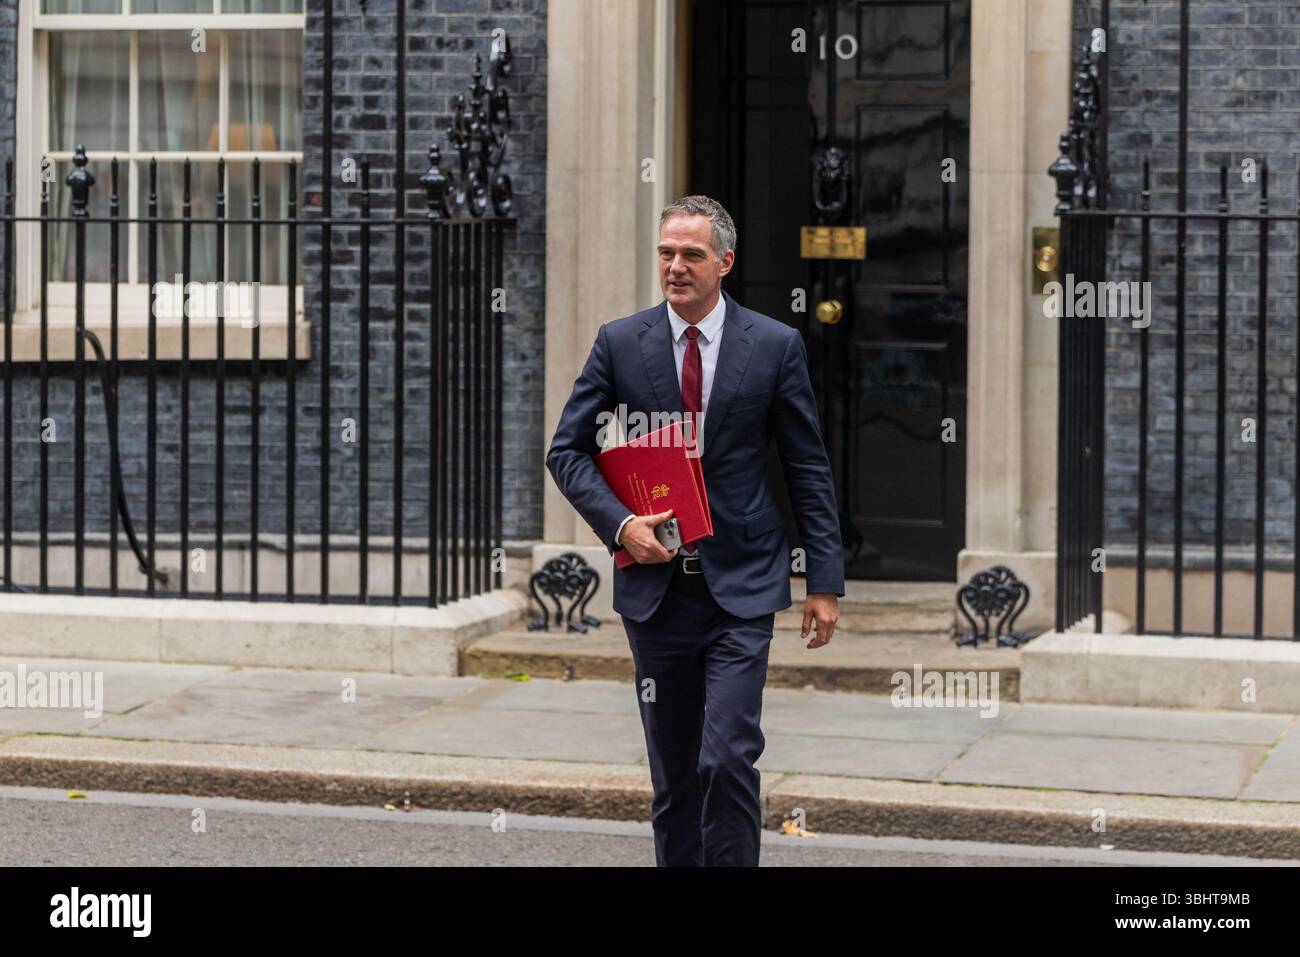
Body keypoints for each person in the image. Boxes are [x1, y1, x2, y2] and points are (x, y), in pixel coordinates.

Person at [545, 195, 845, 866]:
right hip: (657, 593)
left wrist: (823, 581)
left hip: (742, 585)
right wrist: (622, 526)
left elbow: (807, 467)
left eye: (692, 254)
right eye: (666, 253)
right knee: (676, 776)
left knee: (727, 758)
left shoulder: (773, 346)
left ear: (725, 262)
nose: (675, 266)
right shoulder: (620, 342)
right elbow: (567, 451)